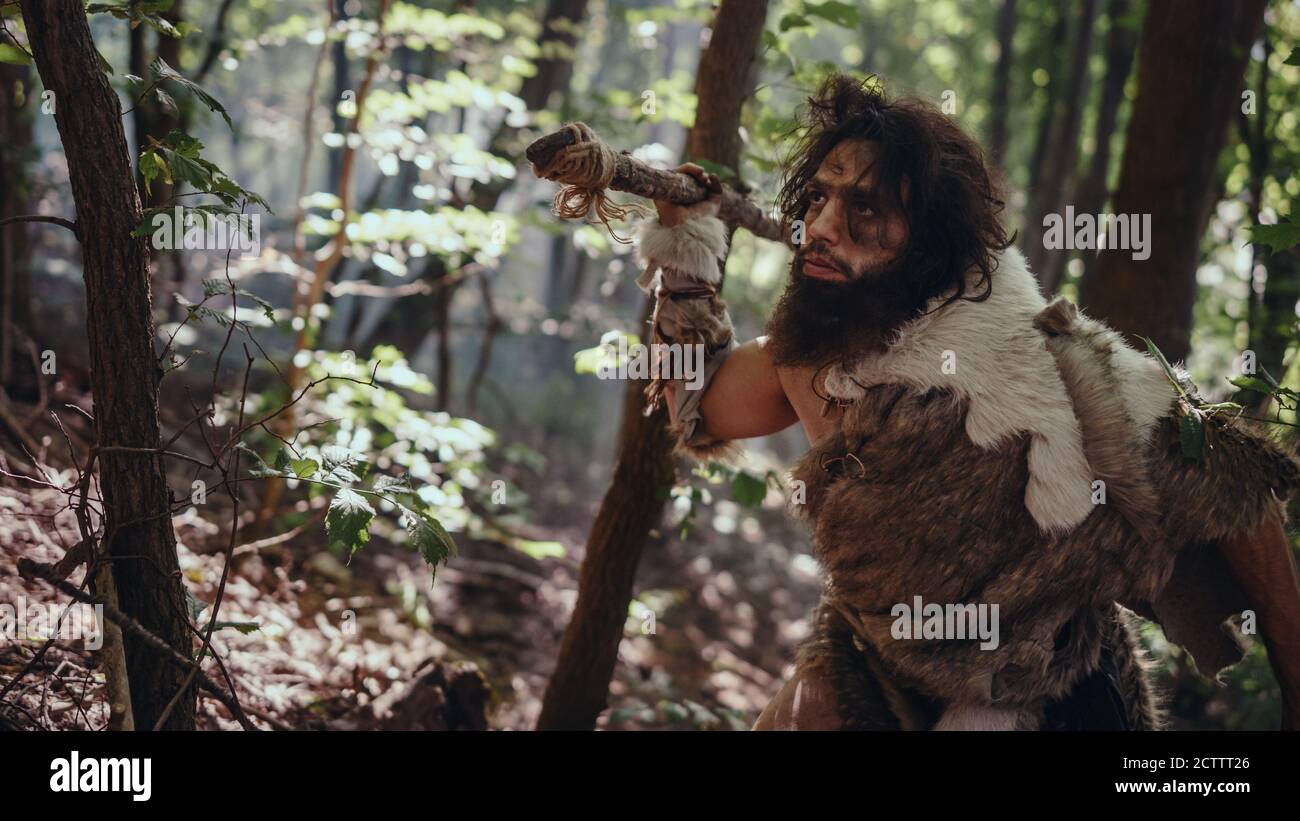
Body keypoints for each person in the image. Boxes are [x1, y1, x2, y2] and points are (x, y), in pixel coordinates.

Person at [634, 73, 1300, 730]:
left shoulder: (1036, 363)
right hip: (874, 657)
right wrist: (686, 249)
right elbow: (703, 400)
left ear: (926, 244)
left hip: (1045, 687)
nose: (822, 226)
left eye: (864, 207)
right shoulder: (805, 352)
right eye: (818, 197)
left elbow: (1233, 486)